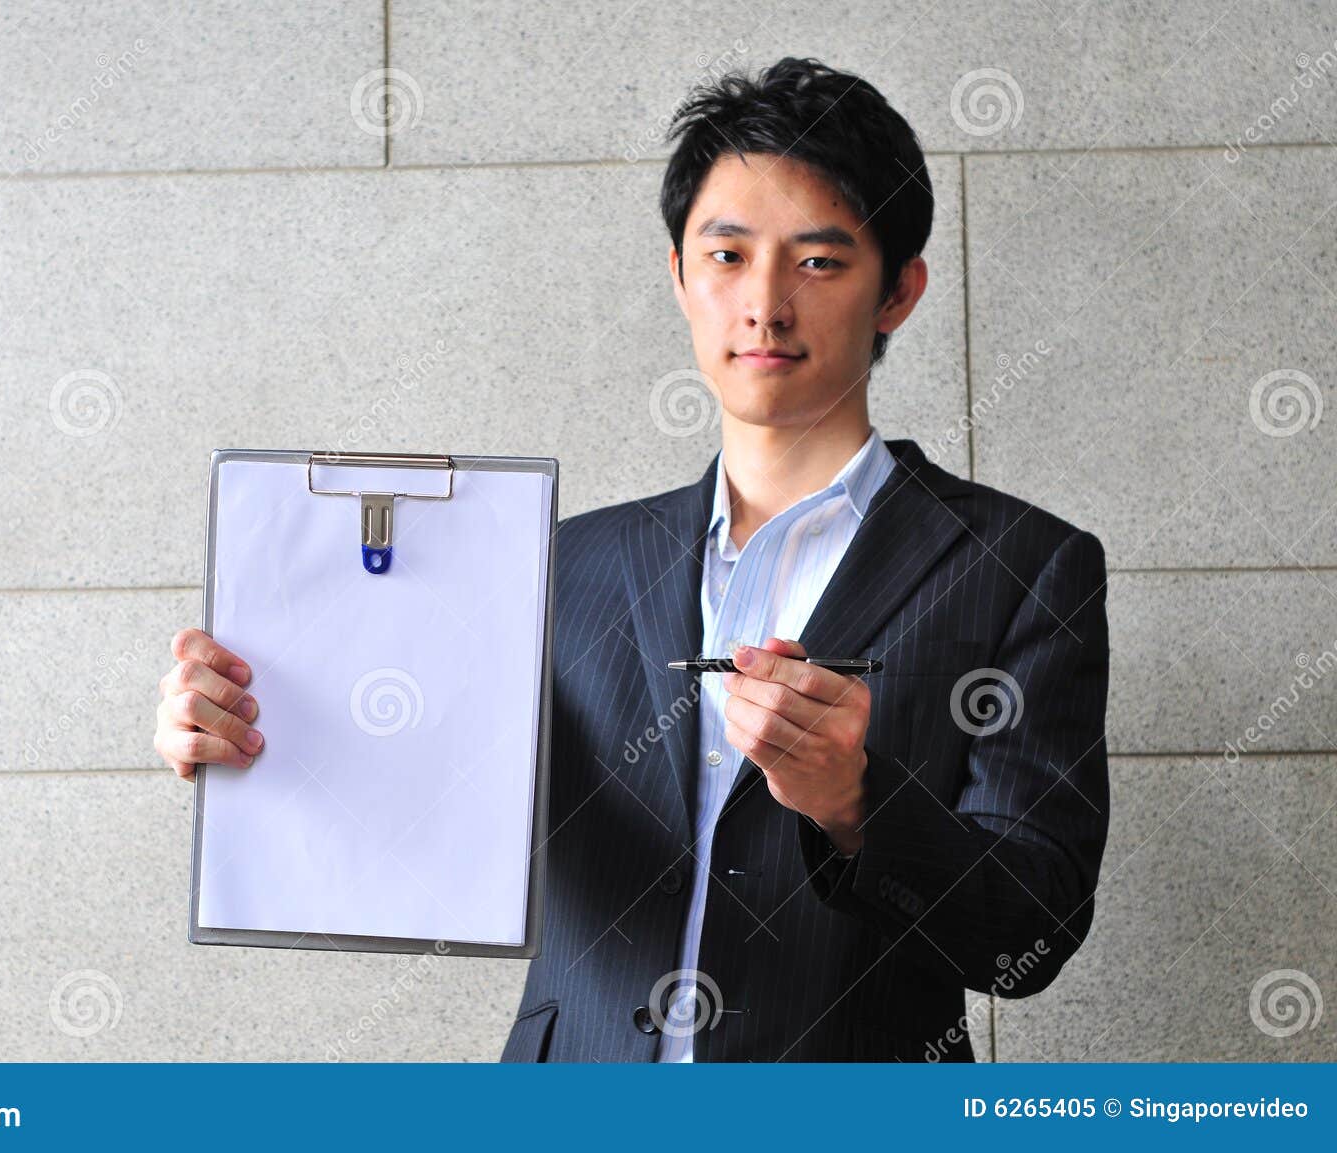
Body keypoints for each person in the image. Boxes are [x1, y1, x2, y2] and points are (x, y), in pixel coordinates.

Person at [154, 56, 1110, 1062]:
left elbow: (1033, 930)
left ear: (898, 292)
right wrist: (253, 741)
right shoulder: (562, 561)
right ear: (678, 275)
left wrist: (856, 803)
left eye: (819, 262)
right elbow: (423, 808)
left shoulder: (1021, 568)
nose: (765, 304)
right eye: (728, 255)